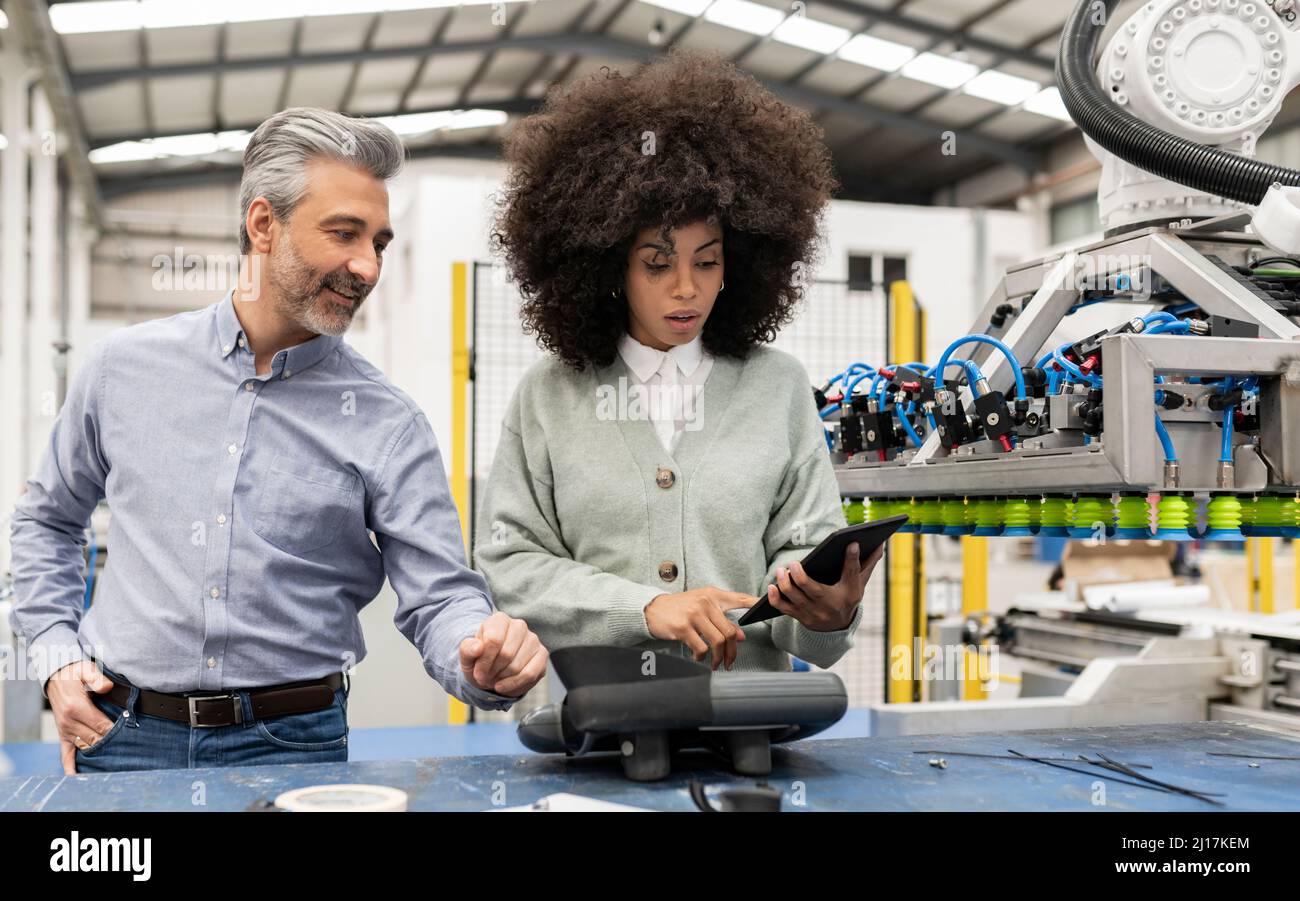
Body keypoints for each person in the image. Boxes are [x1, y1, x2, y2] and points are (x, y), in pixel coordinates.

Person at [9, 107, 547, 775]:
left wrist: (482, 653)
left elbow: (441, 596)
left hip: (295, 747)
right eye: (343, 233)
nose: (368, 266)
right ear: (264, 225)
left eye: (378, 241)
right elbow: (47, 521)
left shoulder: (389, 422)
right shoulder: (122, 369)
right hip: (122, 737)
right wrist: (57, 657)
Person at [477, 52, 881, 674]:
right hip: (602, 731)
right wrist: (646, 608)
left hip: (750, 730)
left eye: (708, 260)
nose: (687, 287)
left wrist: (828, 616)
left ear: (741, 263)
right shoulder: (548, 397)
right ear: (609, 265)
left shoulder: (778, 387)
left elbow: (802, 564)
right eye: (658, 263)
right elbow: (511, 565)